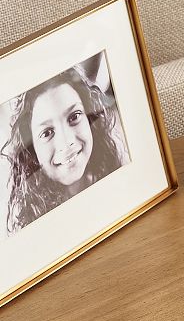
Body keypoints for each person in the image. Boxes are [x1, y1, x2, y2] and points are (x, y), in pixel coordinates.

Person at [3, 65, 125, 235]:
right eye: (46, 133)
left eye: (74, 117)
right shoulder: (33, 229)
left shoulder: (120, 171)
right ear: (32, 152)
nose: (66, 141)